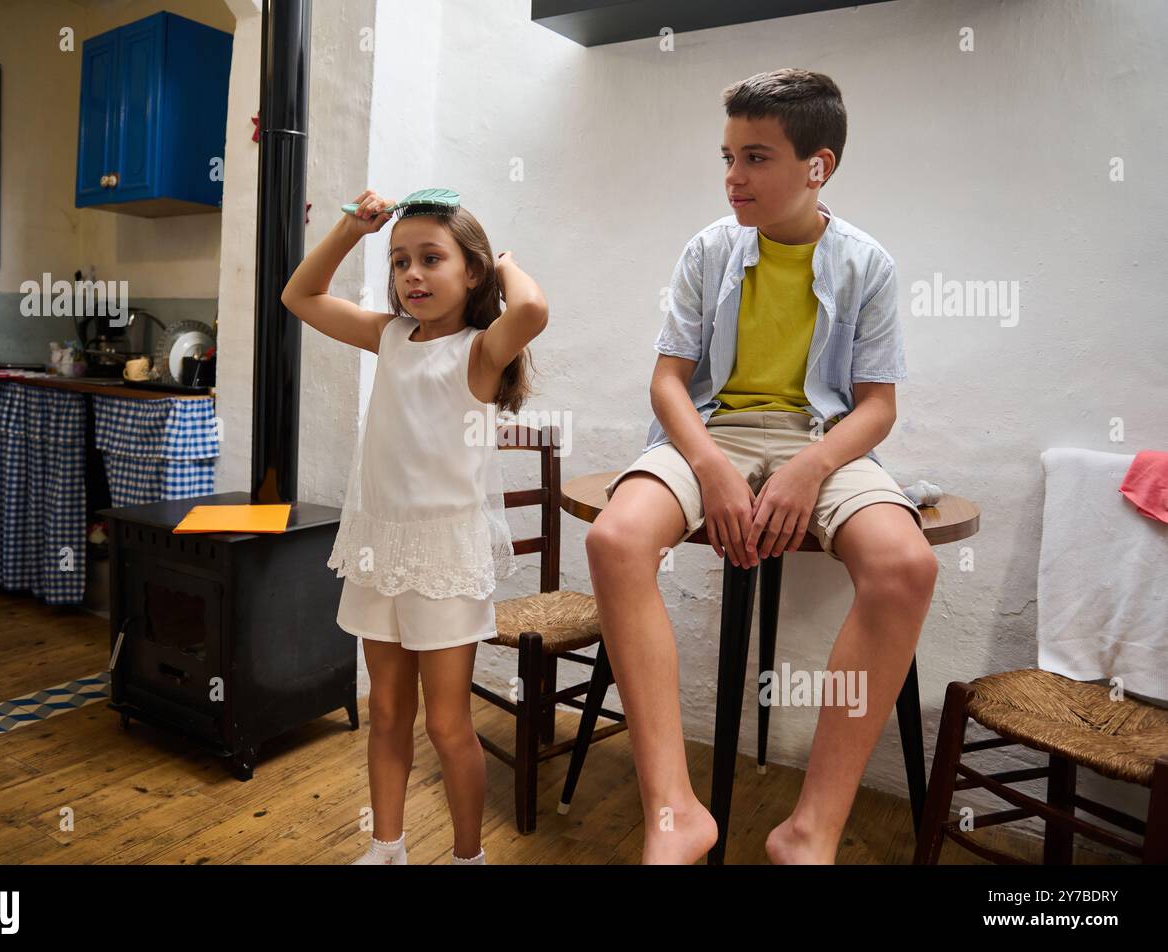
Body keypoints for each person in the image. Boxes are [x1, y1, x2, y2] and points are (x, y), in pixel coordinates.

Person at [586, 69, 938, 864]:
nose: (733, 178)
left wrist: (811, 467)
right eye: (727, 156)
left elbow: (878, 406)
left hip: (822, 438)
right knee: (615, 542)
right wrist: (708, 464)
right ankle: (676, 814)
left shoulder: (867, 264)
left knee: (906, 566)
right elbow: (668, 382)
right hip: (710, 431)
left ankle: (810, 832)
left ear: (819, 166)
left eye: (756, 157)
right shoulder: (708, 250)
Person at [280, 189, 548, 864]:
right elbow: (300, 296)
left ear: (474, 272)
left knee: (448, 723)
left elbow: (535, 310)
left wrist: (509, 261)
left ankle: (467, 856)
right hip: (380, 547)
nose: (412, 275)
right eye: (401, 262)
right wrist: (351, 228)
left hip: (444, 559)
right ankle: (386, 846)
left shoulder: (481, 352)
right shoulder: (389, 336)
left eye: (431, 259)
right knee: (389, 714)